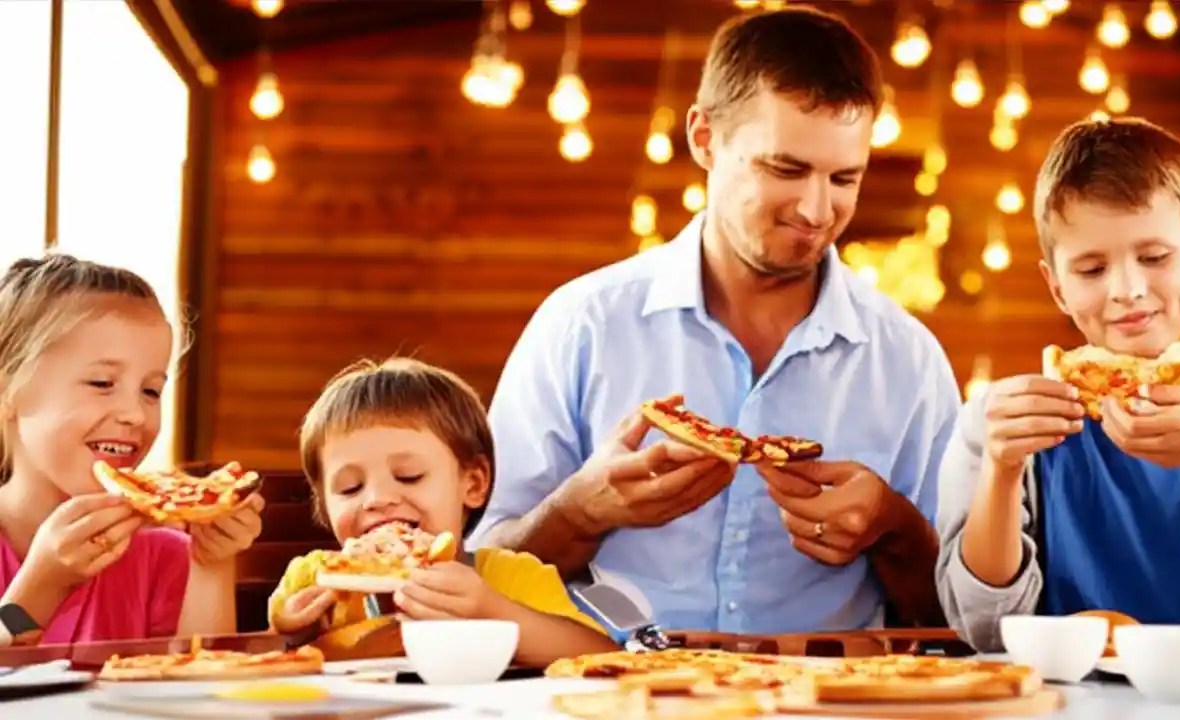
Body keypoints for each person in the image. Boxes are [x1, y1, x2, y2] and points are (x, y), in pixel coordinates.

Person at [471, 6, 959, 635]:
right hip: (609, 694)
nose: (816, 209)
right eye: (785, 169)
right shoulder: (581, 324)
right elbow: (479, 577)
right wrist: (578, 512)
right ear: (704, 138)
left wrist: (894, 528)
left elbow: (958, 620)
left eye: (844, 178)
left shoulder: (909, 360)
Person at [936, 117, 1180, 654]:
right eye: (1092, 269)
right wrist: (1002, 472)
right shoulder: (1000, 422)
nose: (1127, 289)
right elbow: (982, 626)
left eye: (1155, 258)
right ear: (1056, 287)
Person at [267, 358, 617, 666]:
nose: (377, 498)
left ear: (473, 484)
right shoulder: (311, 577)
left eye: (409, 476)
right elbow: (258, 668)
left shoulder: (511, 577)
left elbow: (601, 657)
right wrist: (294, 636)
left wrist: (492, 610)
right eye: (350, 488)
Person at [0, 255, 263, 646]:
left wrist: (211, 562)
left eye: (151, 391)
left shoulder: (166, 555)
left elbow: (204, 690)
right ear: (8, 392)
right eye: (102, 382)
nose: (134, 414)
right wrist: (41, 588)